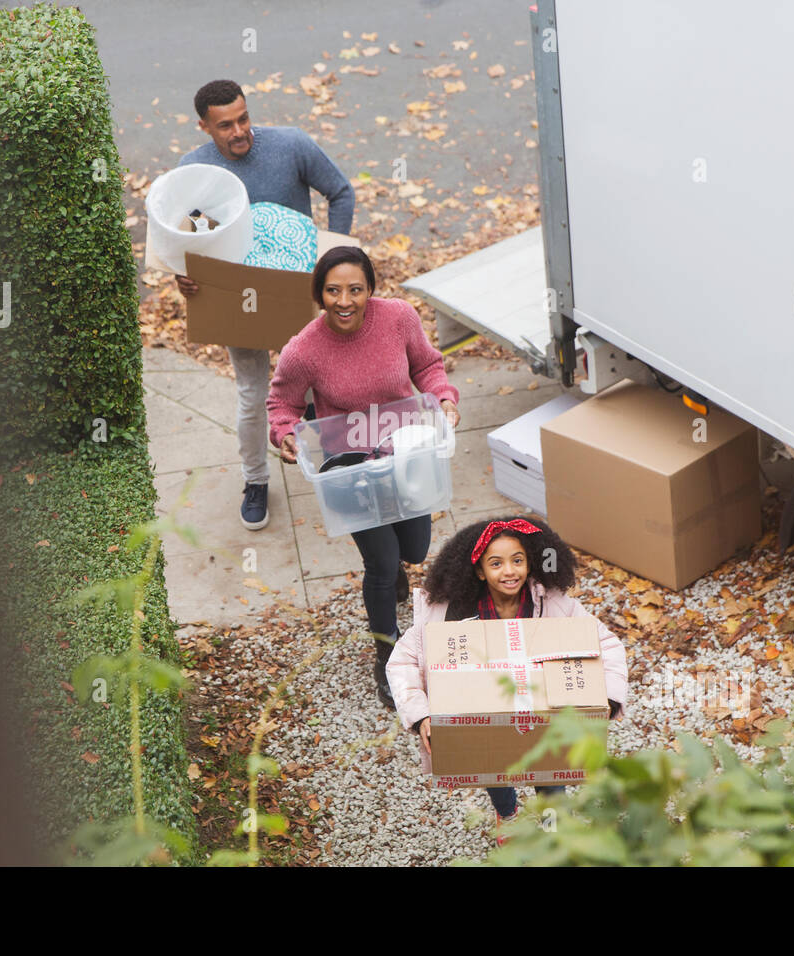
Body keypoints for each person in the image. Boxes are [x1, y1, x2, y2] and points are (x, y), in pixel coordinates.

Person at [267, 246, 460, 710]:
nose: (344, 300)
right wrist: (286, 434)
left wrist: (444, 397)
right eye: (333, 291)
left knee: (413, 550)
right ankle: (386, 652)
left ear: (371, 289)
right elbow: (282, 404)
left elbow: (427, 366)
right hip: (350, 468)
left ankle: (395, 569)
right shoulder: (304, 349)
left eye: (355, 289)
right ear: (319, 295)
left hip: (406, 455)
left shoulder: (398, 319)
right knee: (381, 559)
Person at [173, 79, 355, 531]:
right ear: (204, 127)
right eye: (225, 125)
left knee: (320, 386)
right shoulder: (193, 169)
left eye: (244, 118)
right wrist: (185, 275)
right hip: (238, 303)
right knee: (254, 396)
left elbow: (342, 192)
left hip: (297, 293)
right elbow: (185, 235)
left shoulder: (290, 145)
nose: (239, 132)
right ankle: (256, 481)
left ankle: (337, 463)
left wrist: (331, 261)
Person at [385, 516, 629, 844]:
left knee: (552, 775)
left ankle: (553, 831)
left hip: (547, 717)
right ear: (479, 571)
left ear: (530, 563)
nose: (509, 571)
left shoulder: (554, 605)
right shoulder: (447, 614)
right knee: (494, 766)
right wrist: (420, 715)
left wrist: (609, 698)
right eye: (496, 563)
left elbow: (607, 645)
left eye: (517, 561)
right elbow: (402, 661)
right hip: (486, 719)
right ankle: (508, 813)